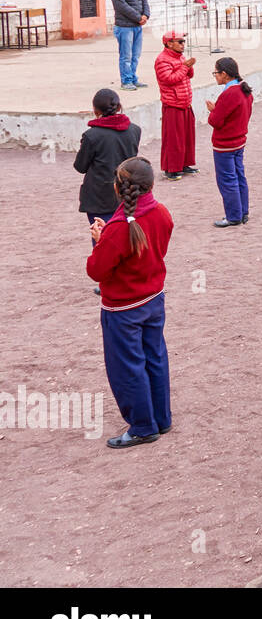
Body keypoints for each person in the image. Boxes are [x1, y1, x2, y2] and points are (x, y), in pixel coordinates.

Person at [86, 157, 174, 448]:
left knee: (127, 366)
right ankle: (160, 418)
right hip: (153, 298)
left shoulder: (118, 228)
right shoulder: (161, 213)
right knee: (155, 357)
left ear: (118, 187)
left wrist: (101, 240)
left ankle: (142, 426)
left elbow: (96, 271)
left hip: (123, 307)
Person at [75, 89, 141, 256]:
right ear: (119, 106)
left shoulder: (92, 136)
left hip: (99, 196)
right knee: (126, 237)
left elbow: (80, 166)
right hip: (128, 193)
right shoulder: (134, 130)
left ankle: (106, 280)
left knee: (101, 240)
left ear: (96, 111)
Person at [205, 57, 252, 228]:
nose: (215, 76)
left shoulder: (229, 93)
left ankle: (233, 215)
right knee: (239, 176)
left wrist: (213, 111)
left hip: (225, 144)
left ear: (224, 74)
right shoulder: (244, 90)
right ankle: (243, 211)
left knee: (227, 180)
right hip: (239, 141)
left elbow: (216, 121)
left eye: (216, 73)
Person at [154, 32, 197, 180]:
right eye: (179, 41)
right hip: (173, 104)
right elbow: (169, 79)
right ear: (169, 43)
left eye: (183, 41)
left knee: (187, 137)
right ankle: (171, 168)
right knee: (173, 138)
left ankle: (184, 164)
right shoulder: (162, 60)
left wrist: (188, 67)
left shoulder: (180, 57)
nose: (182, 44)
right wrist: (185, 67)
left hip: (185, 102)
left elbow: (188, 76)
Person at [109, 0, 150, 92]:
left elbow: (144, 0)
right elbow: (122, 6)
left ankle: (133, 78)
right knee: (126, 56)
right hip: (124, 27)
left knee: (135, 55)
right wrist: (138, 18)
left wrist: (146, 15)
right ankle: (126, 81)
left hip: (137, 26)